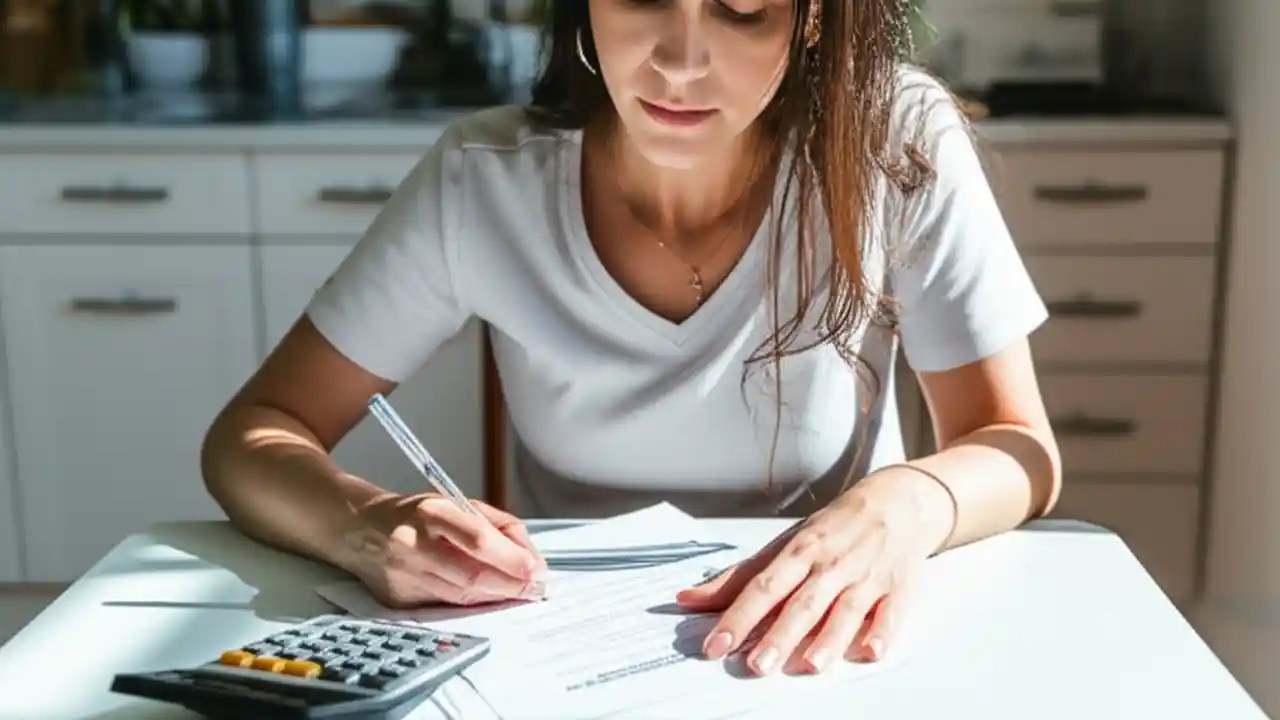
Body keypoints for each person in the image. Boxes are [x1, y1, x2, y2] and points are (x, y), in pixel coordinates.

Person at [200, 0, 1061, 679]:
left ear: (813, 19)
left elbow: (1017, 448)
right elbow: (253, 435)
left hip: (823, 659)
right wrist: (366, 524)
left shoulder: (892, 141)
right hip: (561, 664)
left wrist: (901, 505)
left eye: (744, 9)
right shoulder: (484, 180)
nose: (679, 62)